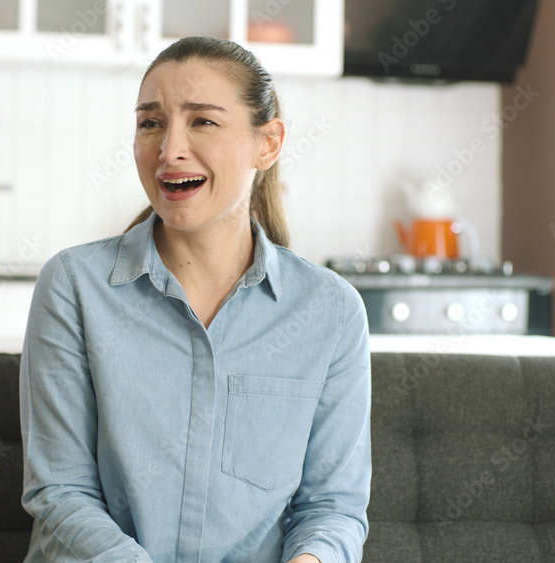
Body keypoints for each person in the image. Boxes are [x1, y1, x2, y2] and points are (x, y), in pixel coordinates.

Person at [19, 36, 371, 562]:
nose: (169, 149)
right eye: (151, 122)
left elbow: (332, 507)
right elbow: (61, 491)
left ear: (268, 143)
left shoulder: (331, 311)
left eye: (202, 121)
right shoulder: (74, 285)